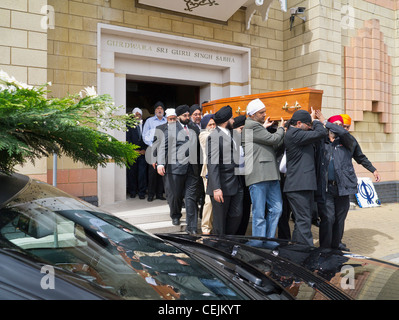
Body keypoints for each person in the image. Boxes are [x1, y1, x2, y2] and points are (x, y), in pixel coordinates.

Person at [283, 108, 327, 246]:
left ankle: (297, 251)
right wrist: (316, 121)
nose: (310, 128)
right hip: (298, 186)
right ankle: (307, 253)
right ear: (299, 123)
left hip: (301, 185)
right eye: (308, 125)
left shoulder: (298, 133)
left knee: (302, 220)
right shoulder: (294, 133)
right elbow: (321, 132)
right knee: (304, 220)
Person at [242, 98, 285, 239]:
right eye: (261, 112)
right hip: (258, 176)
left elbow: (273, 144)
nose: (264, 114)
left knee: (277, 209)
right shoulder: (251, 126)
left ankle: (269, 239)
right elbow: (273, 140)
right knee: (259, 214)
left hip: (271, 174)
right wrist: (281, 129)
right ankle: (259, 244)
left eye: (264, 111)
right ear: (252, 115)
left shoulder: (258, 128)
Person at [156, 104, 200, 234]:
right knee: (175, 195)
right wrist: (160, 163)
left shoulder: (193, 127)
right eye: (185, 116)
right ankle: (175, 215)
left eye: (188, 115)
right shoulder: (171, 128)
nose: (187, 118)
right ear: (178, 117)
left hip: (192, 169)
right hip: (176, 168)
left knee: (191, 198)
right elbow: (163, 147)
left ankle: (192, 227)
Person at [318, 114, 357, 249]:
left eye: (341, 125)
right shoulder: (322, 141)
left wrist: (373, 169)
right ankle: (325, 248)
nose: (339, 128)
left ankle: (336, 246)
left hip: (342, 187)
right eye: (336, 124)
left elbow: (360, 155)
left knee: (340, 219)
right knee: (329, 218)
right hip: (326, 188)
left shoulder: (345, 141)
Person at [207, 105, 243, 236]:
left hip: (235, 183)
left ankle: (228, 244)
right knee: (220, 223)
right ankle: (218, 250)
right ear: (227, 120)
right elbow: (213, 163)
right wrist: (216, 188)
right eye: (232, 118)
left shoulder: (232, 134)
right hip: (221, 186)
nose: (234, 120)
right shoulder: (214, 136)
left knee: (236, 215)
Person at [340, 114, 381, 183]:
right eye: (344, 126)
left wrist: (373, 170)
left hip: (345, 179)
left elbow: (360, 157)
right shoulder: (328, 138)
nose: (346, 129)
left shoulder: (351, 140)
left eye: (348, 127)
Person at [142, 101, 167, 202]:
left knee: (162, 171)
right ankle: (151, 194)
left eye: (161, 108)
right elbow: (144, 135)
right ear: (155, 110)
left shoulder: (166, 121)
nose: (159, 110)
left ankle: (160, 194)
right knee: (152, 172)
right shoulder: (149, 121)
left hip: (164, 149)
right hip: (152, 148)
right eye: (157, 108)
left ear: (164, 111)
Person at [232, 115, 251, 235]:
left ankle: (242, 235)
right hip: (235, 179)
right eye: (241, 129)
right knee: (236, 211)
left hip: (246, 178)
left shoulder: (247, 140)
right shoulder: (231, 142)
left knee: (245, 209)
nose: (243, 132)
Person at [198, 114, 216, 234]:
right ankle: (205, 229)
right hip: (208, 173)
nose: (213, 127)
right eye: (210, 124)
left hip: (217, 171)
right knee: (209, 201)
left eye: (214, 124)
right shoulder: (203, 134)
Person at [126, 107, 147, 199]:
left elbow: (148, 137)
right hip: (132, 153)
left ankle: (142, 192)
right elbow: (127, 138)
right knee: (132, 173)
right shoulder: (129, 125)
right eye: (136, 114)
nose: (137, 116)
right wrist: (133, 150)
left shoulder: (145, 124)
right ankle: (133, 191)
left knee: (142, 174)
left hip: (143, 153)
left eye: (139, 114)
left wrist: (145, 149)